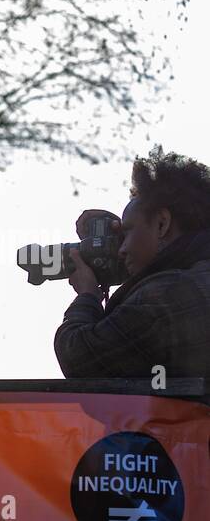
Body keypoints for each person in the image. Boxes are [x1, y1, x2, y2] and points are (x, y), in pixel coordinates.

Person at [53, 147, 210, 379]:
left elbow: (78, 357)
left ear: (161, 224)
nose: (121, 250)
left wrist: (88, 296)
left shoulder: (165, 296)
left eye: (126, 234)